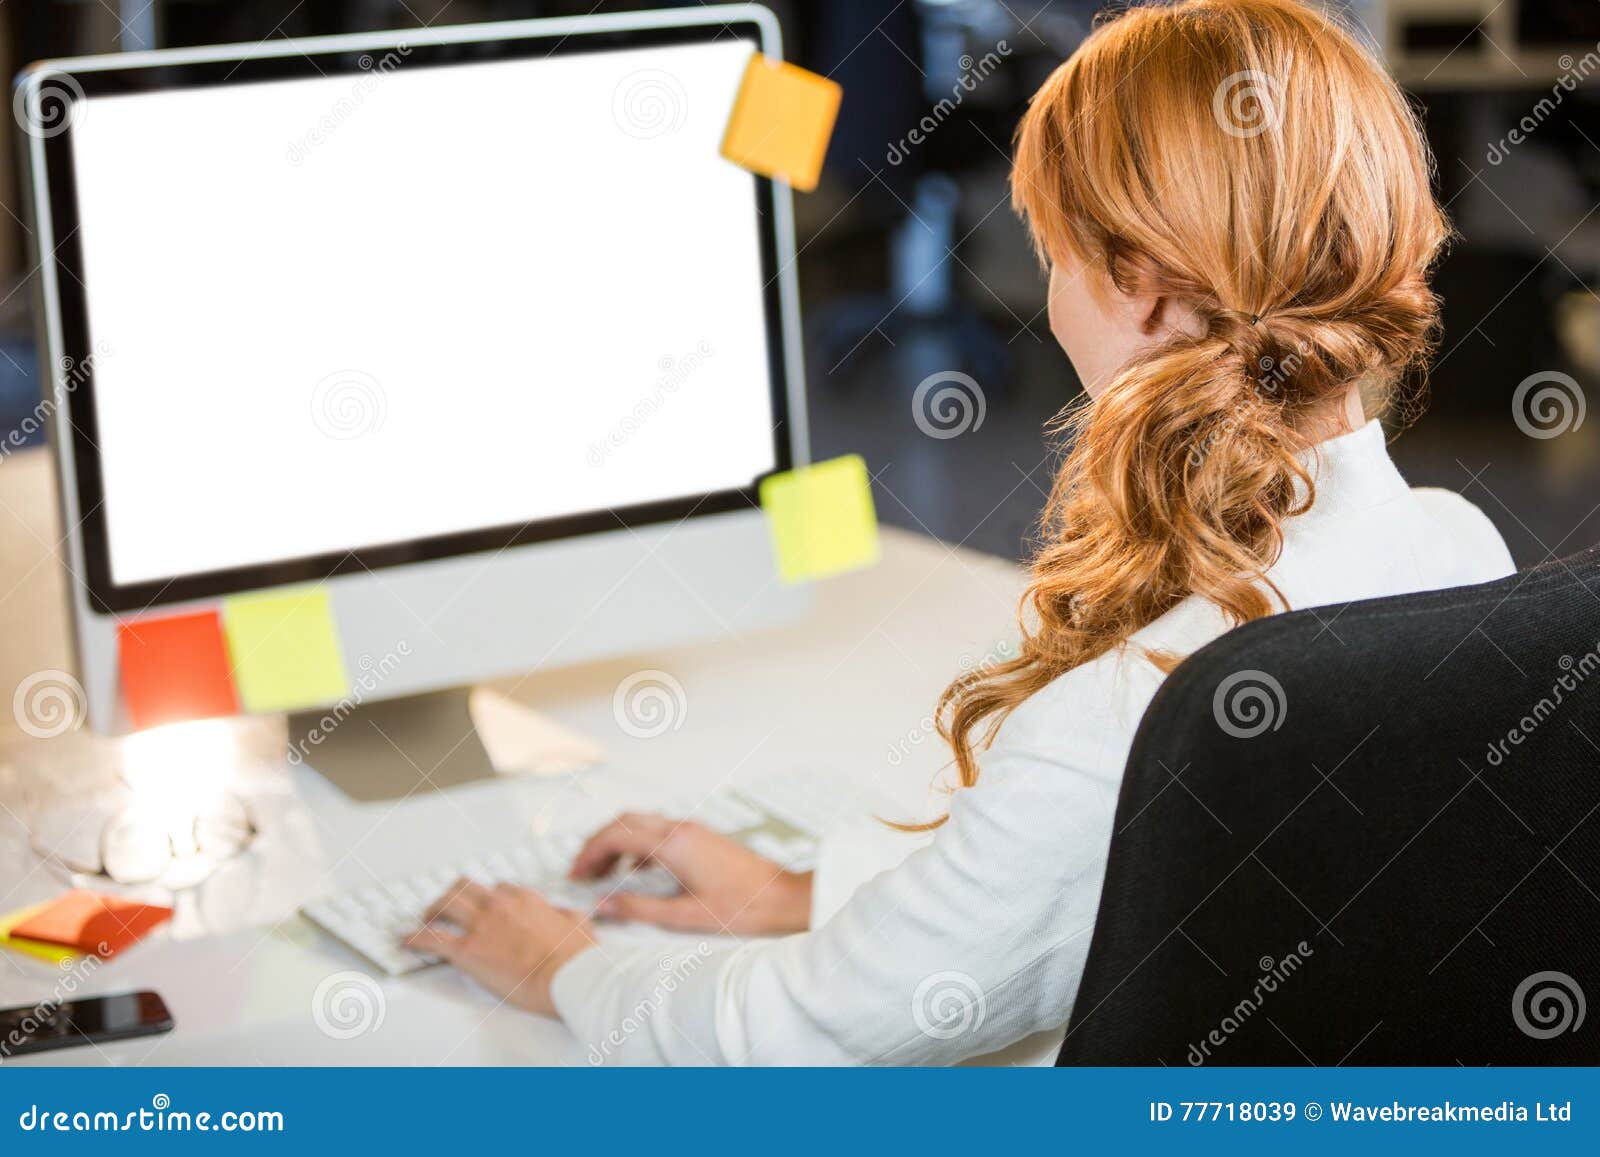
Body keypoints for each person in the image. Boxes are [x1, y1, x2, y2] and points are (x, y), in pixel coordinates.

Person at [407, 0, 1516, 1064]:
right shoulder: (1464, 555)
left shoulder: (1126, 710)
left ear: (1139, 288)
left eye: (1053, 255)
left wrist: (564, 965)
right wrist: (802, 889)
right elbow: (1076, 904)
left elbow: (797, 1038)